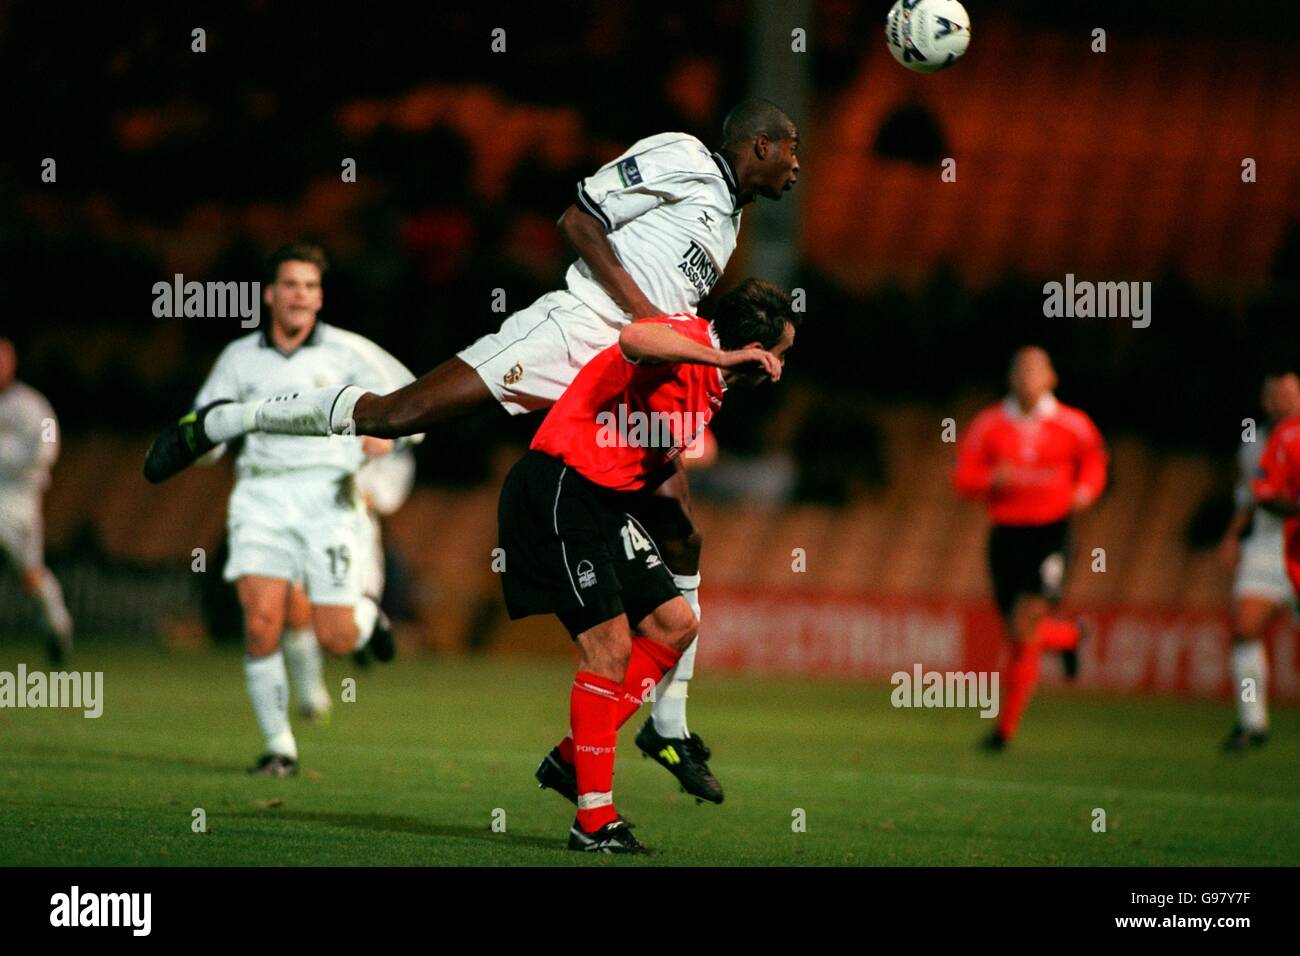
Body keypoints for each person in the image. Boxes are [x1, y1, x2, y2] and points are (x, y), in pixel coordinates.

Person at [142, 100, 800, 801]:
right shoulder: (683, 156)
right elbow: (578, 218)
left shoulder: (728, 221)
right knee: (400, 414)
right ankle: (225, 420)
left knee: (681, 530)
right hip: (576, 332)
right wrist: (643, 316)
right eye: (792, 149)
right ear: (757, 146)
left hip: (631, 366)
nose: (798, 165)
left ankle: (668, 722)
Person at [503, 278, 796, 852]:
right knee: (607, 648)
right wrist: (720, 354)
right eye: (780, 354)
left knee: (675, 624)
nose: (781, 368)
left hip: (604, 504)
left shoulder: (714, 385)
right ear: (754, 350)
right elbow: (635, 337)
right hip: (560, 488)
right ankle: (593, 824)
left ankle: (570, 760)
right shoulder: (689, 342)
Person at [145, 243, 419, 776]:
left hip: (329, 497)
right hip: (262, 497)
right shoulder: (238, 359)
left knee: (336, 636)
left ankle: (369, 620)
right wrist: (199, 449)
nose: (301, 295)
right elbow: (207, 428)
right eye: (291, 285)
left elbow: (414, 402)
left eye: (311, 286)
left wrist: (393, 440)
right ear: (270, 295)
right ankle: (279, 747)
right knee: (261, 623)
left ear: (320, 297)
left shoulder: (351, 352)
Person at [952, 346, 1108, 750]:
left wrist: (1086, 490)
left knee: (1024, 625)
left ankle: (1003, 732)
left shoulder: (1073, 424)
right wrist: (990, 480)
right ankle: (1071, 637)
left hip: (1051, 533)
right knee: (1020, 634)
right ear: (1011, 378)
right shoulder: (989, 425)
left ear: (1051, 378)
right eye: (1020, 370)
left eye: (1035, 370)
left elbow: (1095, 461)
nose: (1027, 378)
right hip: (1006, 535)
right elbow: (963, 477)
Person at [1216, 371, 1300, 751]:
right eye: (1275, 395)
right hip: (1265, 547)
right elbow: (1249, 494)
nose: (1281, 401)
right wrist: (1233, 536)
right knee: (1244, 628)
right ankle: (1253, 723)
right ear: (1265, 401)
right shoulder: (1252, 442)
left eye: (1289, 393)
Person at [0, 338, 73, 663]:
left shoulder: (32, 405)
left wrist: (33, 458)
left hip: (17, 501)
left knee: (30, 573)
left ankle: (57, 626)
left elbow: (47, 441)